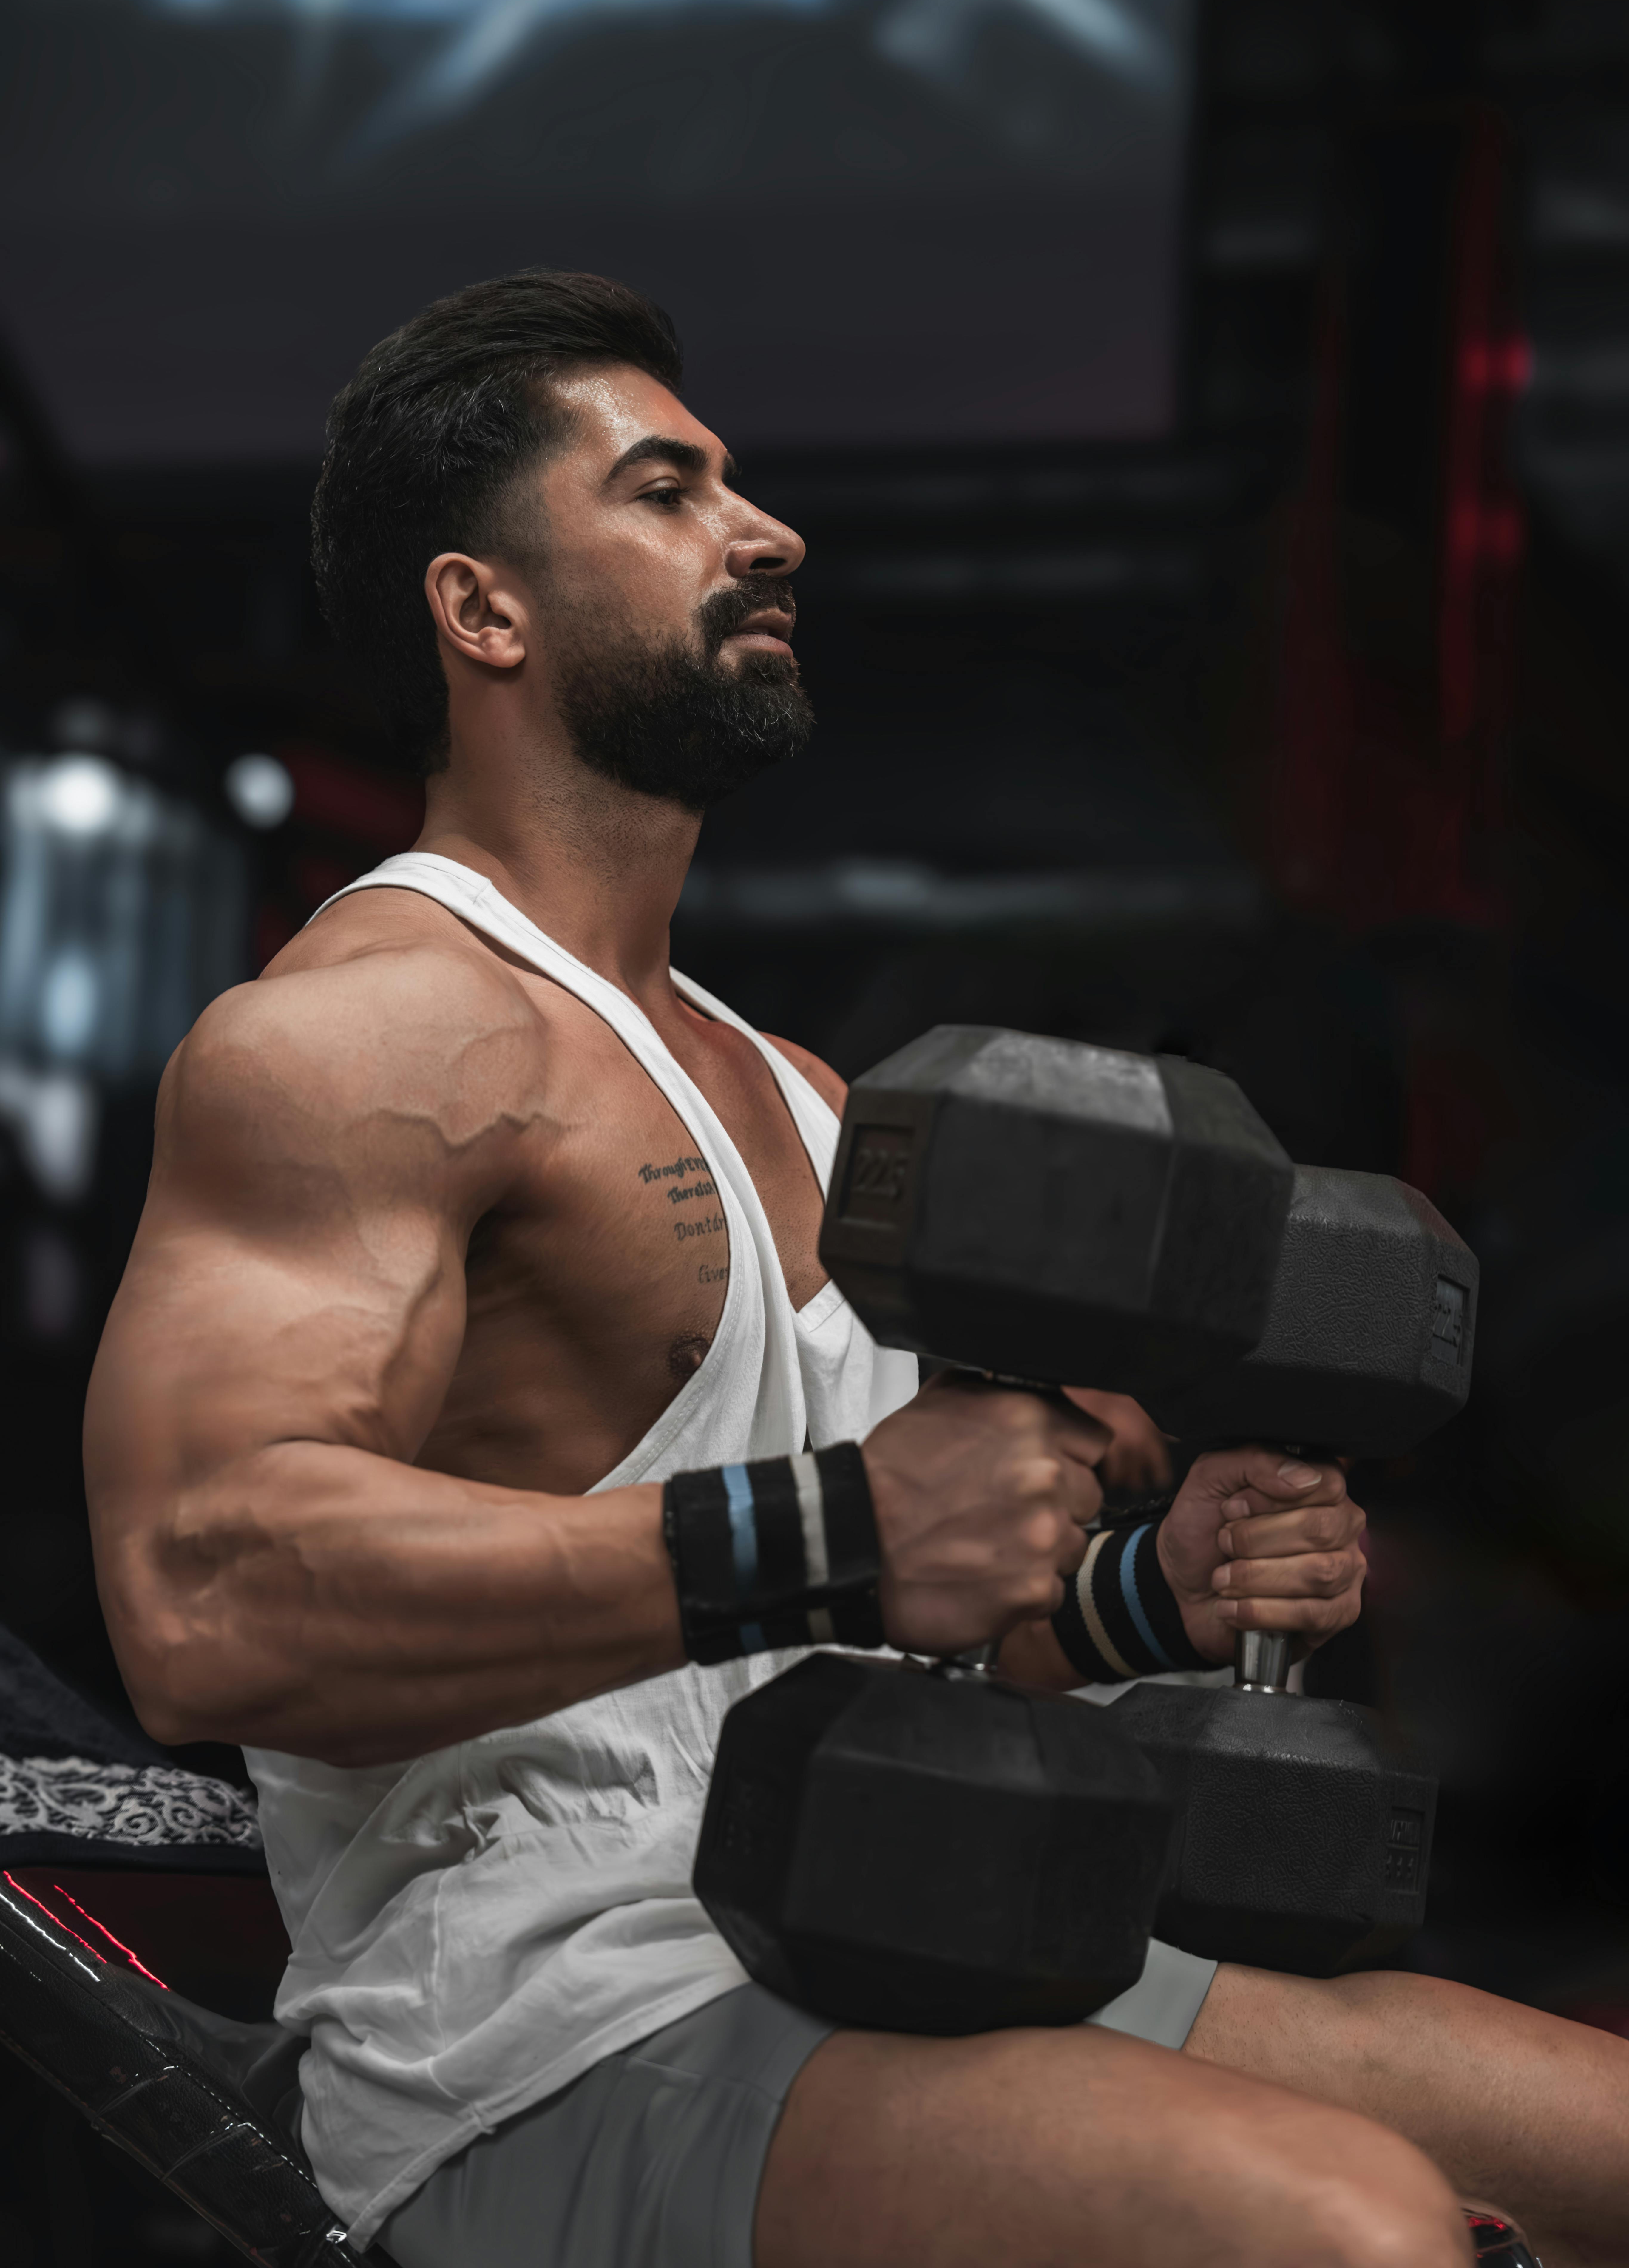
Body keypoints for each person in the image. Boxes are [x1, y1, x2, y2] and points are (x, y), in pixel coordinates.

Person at [85, 271, 1628, 2268]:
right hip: (549, 2020)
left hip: (897, 1915)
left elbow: (878, 1630)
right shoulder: (365, 1039)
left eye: (735, 482)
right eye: (665, 489)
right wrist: (832, 1523)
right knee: (1340, 2235)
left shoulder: (805, 1095)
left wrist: (1142, 1591)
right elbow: (209, 1597)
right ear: (484, 612)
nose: (764, 527)